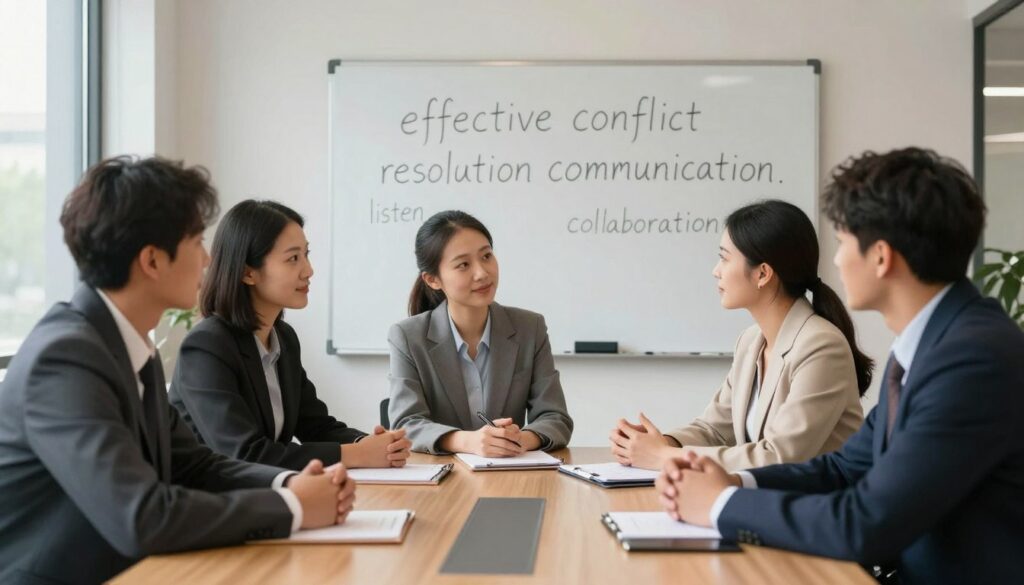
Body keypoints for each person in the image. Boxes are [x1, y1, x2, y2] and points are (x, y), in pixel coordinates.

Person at [655, 147, 1024, 585]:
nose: (835, 260)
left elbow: (865, 522)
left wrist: (718, 506)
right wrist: (733, 483)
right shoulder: (934, 343)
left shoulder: (971, 360)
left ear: (881, 257)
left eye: (845, 242)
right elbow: (842, 468)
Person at [0, 157, 356, 585]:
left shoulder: (129, 345)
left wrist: (291, 484)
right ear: (152, 261)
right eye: (195, 242)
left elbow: (195, 466)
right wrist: (294, 508)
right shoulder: (64, 359)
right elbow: (142, 517)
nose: (208, 259)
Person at [609, 200, 870, 471]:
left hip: (819, 505)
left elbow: (780, 457)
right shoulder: (751, 341)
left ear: (763, 273)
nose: (716, 270)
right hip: (771, 500)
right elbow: (715, 430)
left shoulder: (821, 346)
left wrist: (664, 458)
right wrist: (662, 443)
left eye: (724, 257)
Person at [169, 200, 410, 470]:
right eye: (293, 258)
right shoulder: (206, 346)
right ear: (248, 272)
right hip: (213, 502)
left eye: (306, 255)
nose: (309, 270)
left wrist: (376, 445)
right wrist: (356, 455)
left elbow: (316, 426)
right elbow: (245, 454)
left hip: (265, 494)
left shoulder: (283, 337)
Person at [388, 210, 573, 455]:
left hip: (510, 474)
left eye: (486, 256)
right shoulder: (407, 336)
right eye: (463, 264)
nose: (482, 273)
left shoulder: (530, 328)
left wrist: (518, 439)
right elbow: (406, 424)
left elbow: (555, 417)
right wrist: (468, 442)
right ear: (433, 279)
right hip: (441, 479)